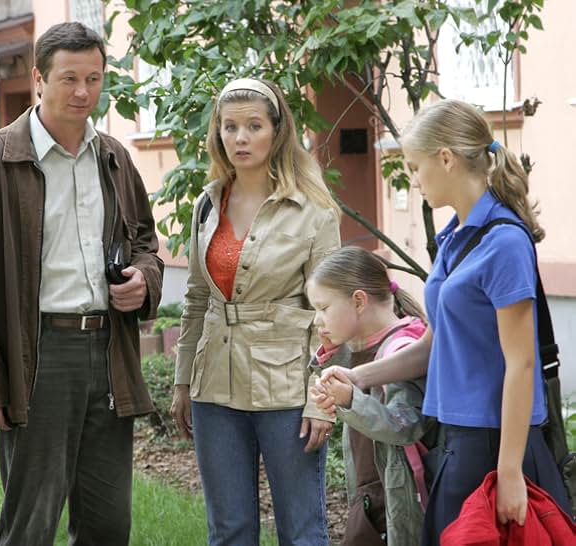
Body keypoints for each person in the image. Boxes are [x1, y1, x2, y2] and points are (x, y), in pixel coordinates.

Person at [314, 99, 571, 544]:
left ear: (446, 159)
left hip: (495, 445)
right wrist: (357, 375)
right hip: (455, 439)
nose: (414, 180)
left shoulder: (505, 241)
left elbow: (521, 364)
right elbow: (434, 345)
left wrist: (509, 471)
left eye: (416, 167)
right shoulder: (454, 238)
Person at [0, 21, 164, 546]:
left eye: (94, 78)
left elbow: (144, 242)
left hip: (109, 351)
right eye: (69, 78)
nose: (83, 91)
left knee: (109, 525)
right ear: (39, 79)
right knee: (31, 525)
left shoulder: (113, 156)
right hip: (37, 357)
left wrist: (143, 280)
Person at [169, 76, 341, 546]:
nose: (240, 138)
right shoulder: (207, 204)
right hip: (214, 389)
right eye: (229, 127)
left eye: (253, 126)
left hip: (285, 389)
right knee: (229, 531)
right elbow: (197, 299)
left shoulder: (313, 210)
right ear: (217, 133)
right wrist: (183, 380)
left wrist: (319, 399)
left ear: (276, 131)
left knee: (301, 530)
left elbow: (330, 316)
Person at [307, 245, 433, 546]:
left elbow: (407, 424)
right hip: (373, 502)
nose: (316, 320)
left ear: (359, 301)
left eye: (323, 308)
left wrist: (351, 400)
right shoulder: (359, 346)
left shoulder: (401, 349)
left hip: (399, 505)